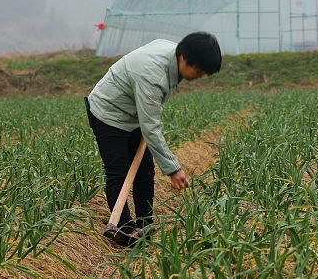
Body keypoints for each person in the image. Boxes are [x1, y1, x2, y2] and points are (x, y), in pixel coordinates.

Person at [85, 32, 222, 248]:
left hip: (134, 114)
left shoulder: (173, 54)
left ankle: (145, 225)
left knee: (145, 170)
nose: (199, 76)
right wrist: (173, 168)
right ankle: (124, 230)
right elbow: (151, 127)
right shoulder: (152, 75)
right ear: (183, 58)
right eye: (198, 71)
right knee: (118, 171)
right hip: (108, 113)